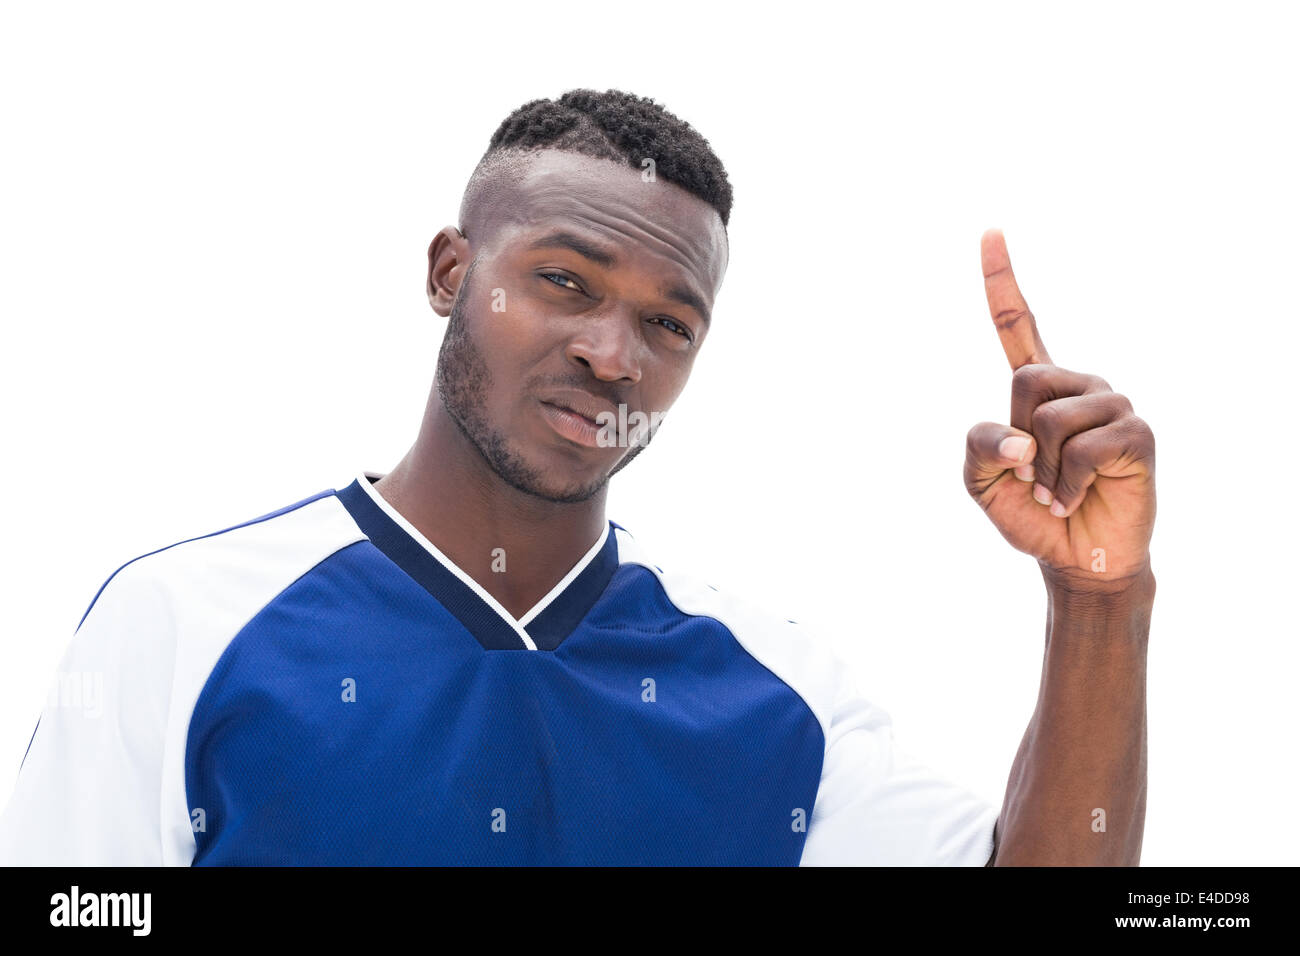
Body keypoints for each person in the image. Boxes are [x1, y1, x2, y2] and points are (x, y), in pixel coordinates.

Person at [0, 88, 1156, 866]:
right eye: (564, 280)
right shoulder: (184, 624)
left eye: (669, 320)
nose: (614, 352)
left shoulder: (771, 692)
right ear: (452, 271)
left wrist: (1098, 605)